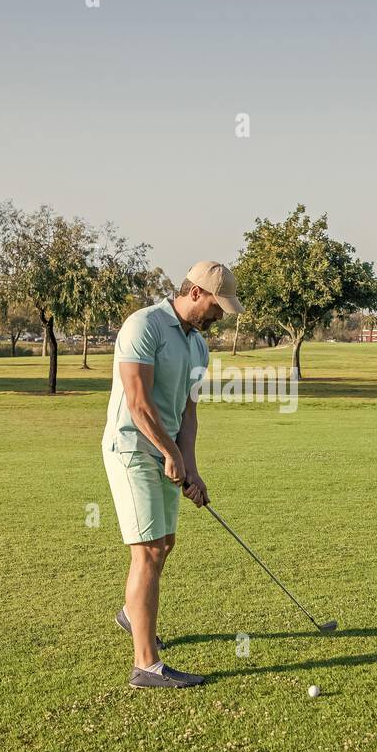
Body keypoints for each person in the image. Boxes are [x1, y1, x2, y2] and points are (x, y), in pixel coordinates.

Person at [101, 261, 243, 689]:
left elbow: (188, 411)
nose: (220, 316)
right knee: (145, 552)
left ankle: (131, 613)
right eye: (218, 306)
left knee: (164, 545)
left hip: (166, 452)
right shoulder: (143, 326)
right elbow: (138, 401)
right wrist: (168, 453)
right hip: (132, 447)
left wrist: (191, 465)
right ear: (196, 292)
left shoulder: (199, 346)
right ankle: (146, 665)